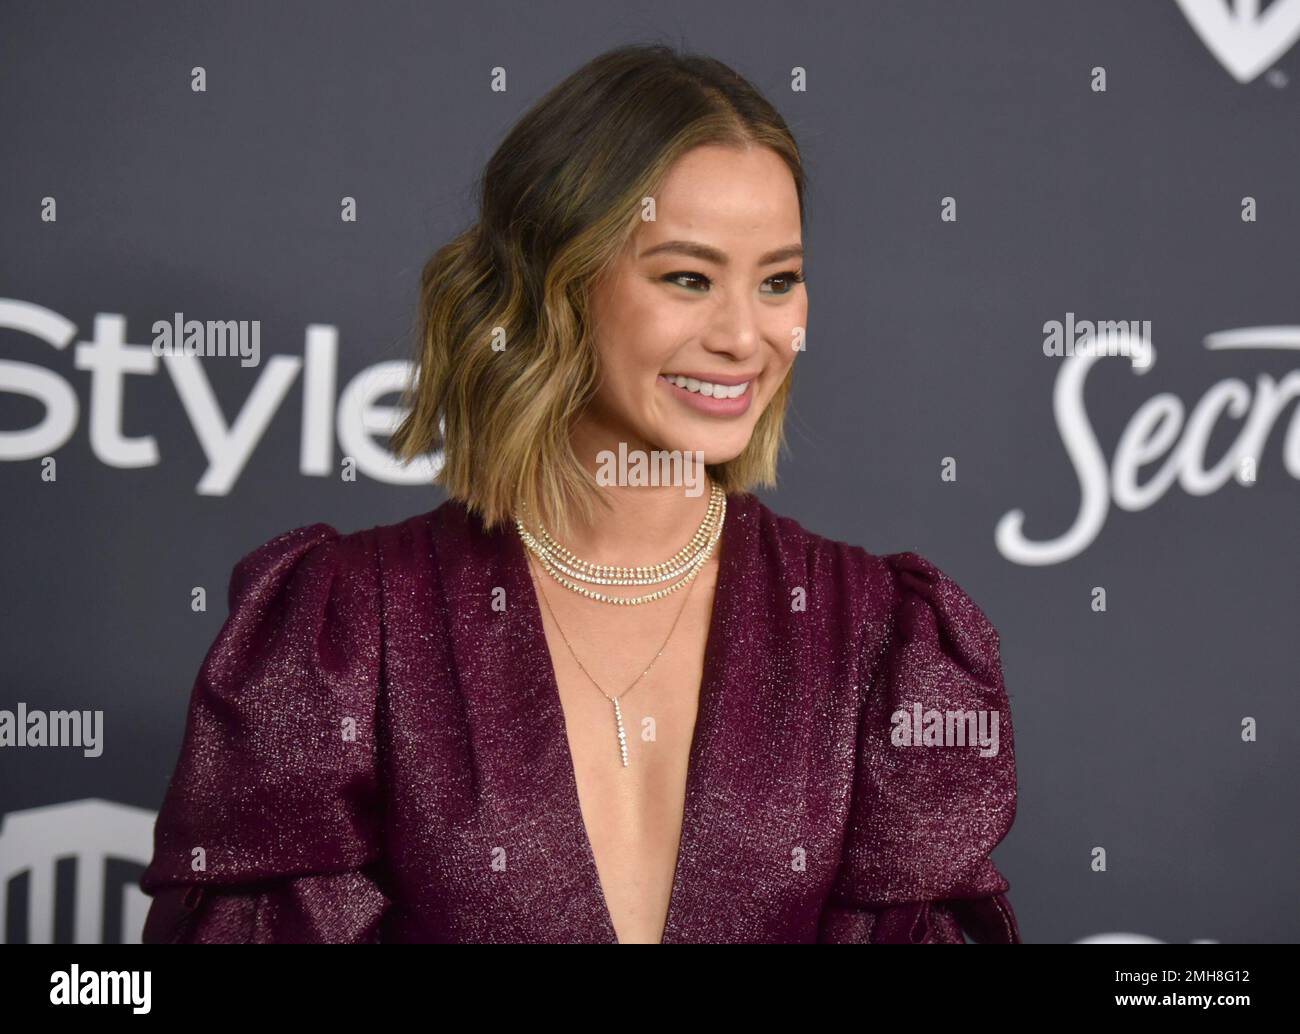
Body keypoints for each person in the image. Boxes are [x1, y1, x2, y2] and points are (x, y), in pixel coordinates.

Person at [139, 42, 1020, 944]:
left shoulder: (880, 635)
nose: (744, 336)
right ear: (554, 282)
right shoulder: (348, 630)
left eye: (778, 282)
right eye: (688, 276)